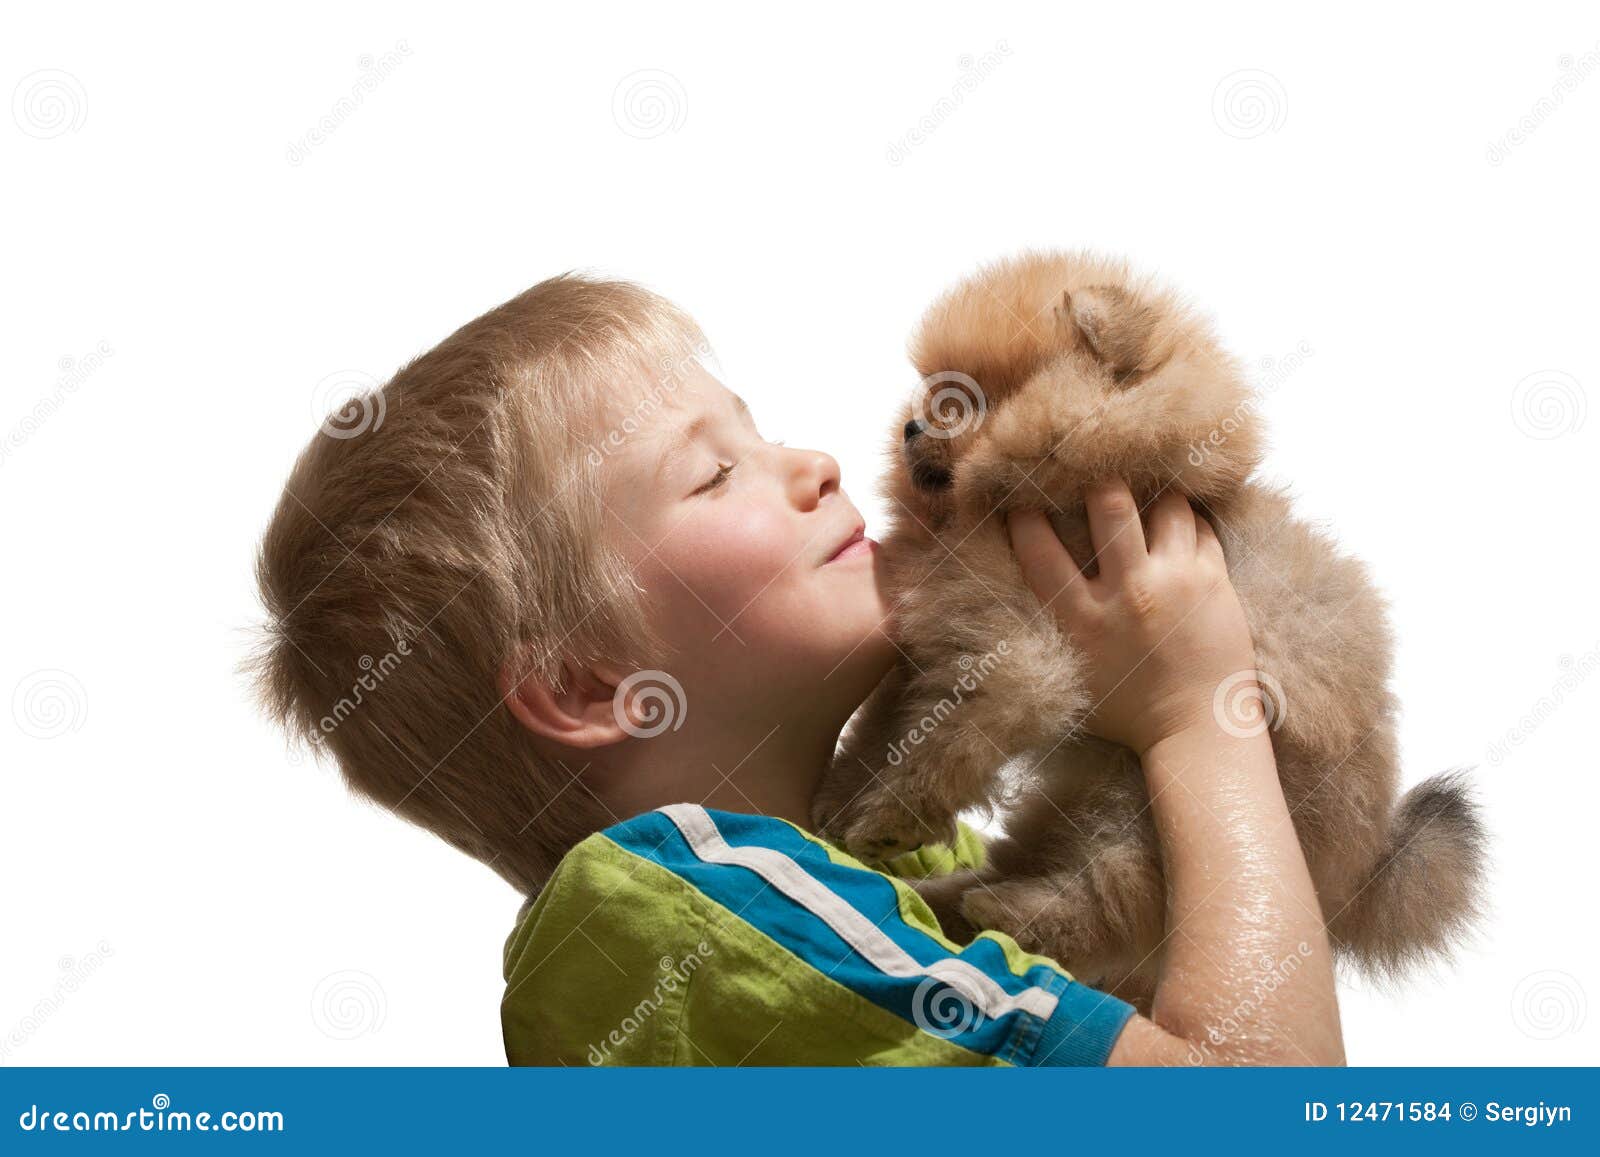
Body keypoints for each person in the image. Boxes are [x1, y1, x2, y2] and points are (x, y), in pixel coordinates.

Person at [252, 273, 1345, 1066]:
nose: (815, 465)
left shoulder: (892, 876)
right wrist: (1201, 717)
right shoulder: (700, 912)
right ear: (589, 683)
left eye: (759, 430)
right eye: (714, 471)